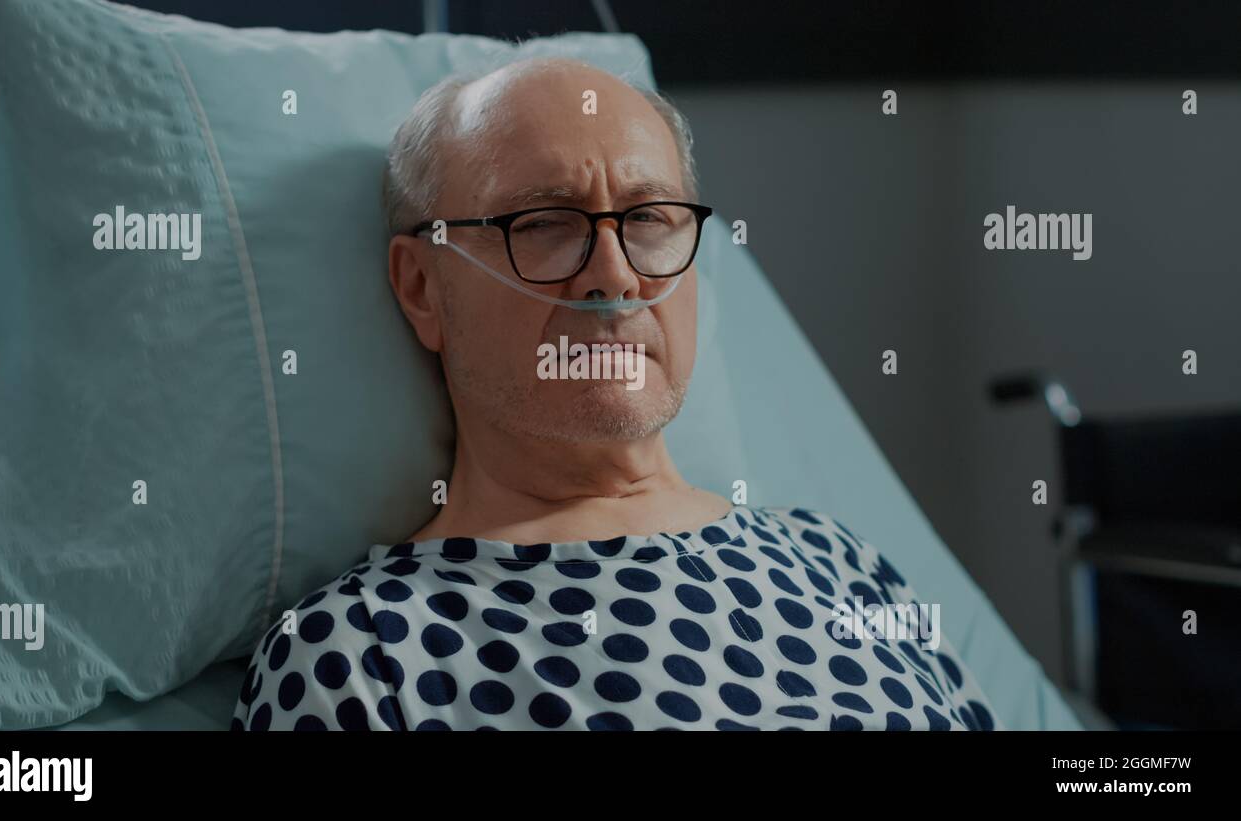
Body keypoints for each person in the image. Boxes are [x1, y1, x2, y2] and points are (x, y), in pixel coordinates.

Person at [233, 56, 998, 731]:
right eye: (543, 223)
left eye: (651, 218)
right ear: (422, 286)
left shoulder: (835, 561)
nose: (615, 274)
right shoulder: (361, 655)